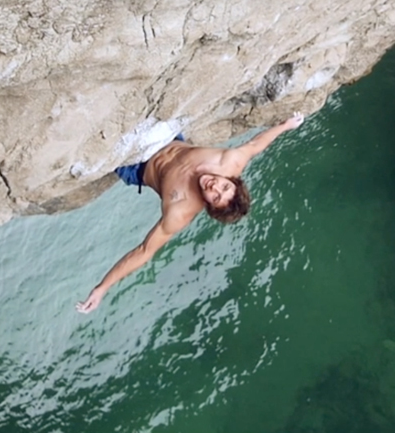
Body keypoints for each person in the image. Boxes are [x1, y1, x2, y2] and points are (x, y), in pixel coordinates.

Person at [76, 112, 306, 313]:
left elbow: (145, 251)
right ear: (232, 179)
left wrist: (102, 288)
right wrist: (286, 126)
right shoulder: (229, 162)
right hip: (168, 139)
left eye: (215, 197)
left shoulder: (181, 211)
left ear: (208, 205)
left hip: (136, 165)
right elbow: (257, 145)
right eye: (224, 186)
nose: (214, 186)